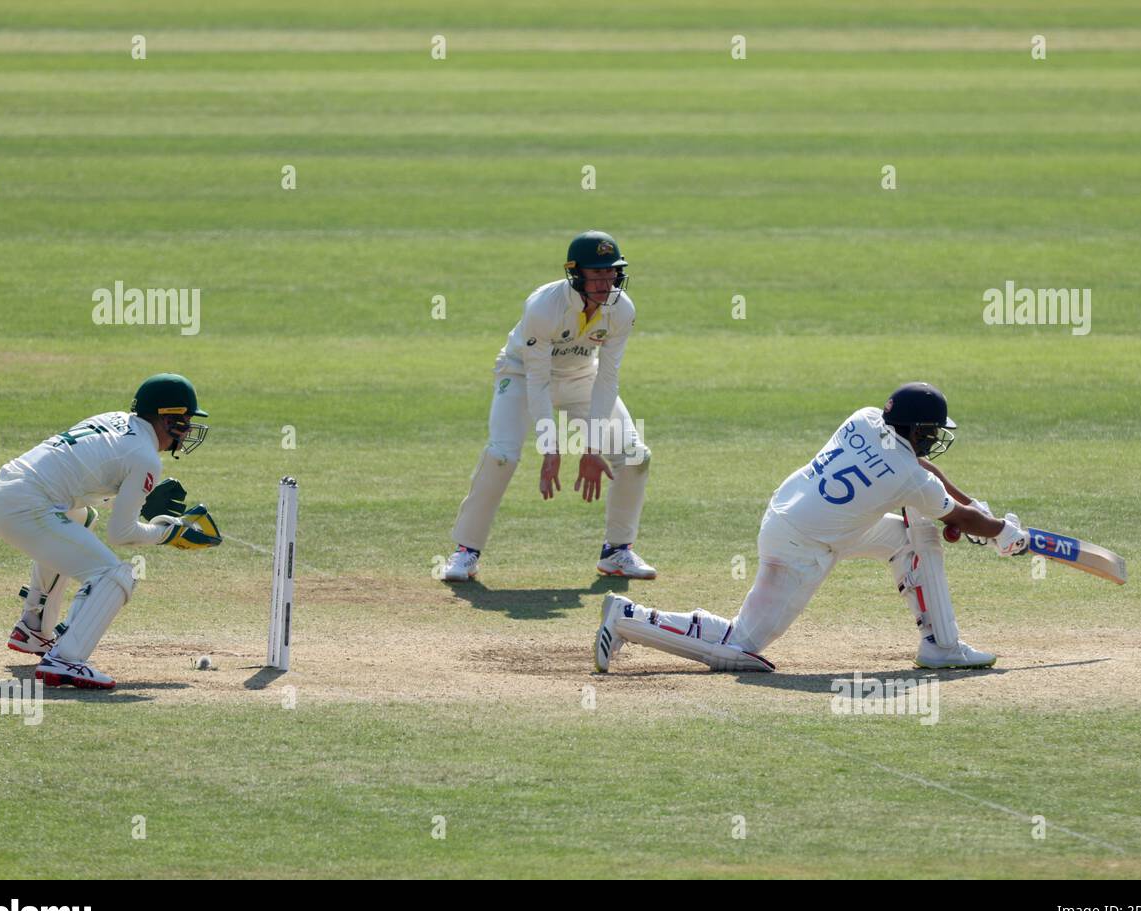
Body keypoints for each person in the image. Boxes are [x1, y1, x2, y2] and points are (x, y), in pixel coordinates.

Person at [594, 382, 1029, 674]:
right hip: (804, 547)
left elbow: (928, 482)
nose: (935, 437)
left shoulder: (863, 418)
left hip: (796, 518)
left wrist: (972, 513)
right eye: (931, 430)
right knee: (741, 647)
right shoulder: (906, 476)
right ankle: (630, 619)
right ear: (915, 428)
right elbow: (954, 514)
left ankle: (941, 645)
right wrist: (1001, 531)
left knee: (913, 539)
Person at [0, 373, 220, 689]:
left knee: (80, 517)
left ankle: (34, 628)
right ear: (166, 419)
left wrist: (135, 496)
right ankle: (66, 660)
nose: (187, 432)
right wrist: (167, 533)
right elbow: (122, 534)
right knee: (114, 575)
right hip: (23, 506)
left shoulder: (113, 420)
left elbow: (83, 477)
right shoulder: (145, 458)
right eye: (184, 422)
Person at [441, 230, 656, 582]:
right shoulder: (543, 306)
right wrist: (551, 448)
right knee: (501, 455)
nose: (605, 282)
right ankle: (466, 551)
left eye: (611, 272)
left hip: (582, 378)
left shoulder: (622, 310)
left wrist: (591, 447)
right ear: (576, 274)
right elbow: (538, 380)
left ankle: (618, 551)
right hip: (523, 373)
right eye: (596, 273)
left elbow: (607, 379)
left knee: (635, 454)